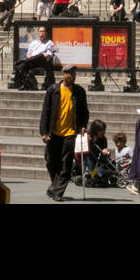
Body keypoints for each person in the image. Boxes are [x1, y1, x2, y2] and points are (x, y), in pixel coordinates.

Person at [40, 66, 89, 201]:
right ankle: (55, 185)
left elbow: (85, 111)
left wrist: (83, 126)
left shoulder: (79, 91)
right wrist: (43, 132)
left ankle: (58, 191)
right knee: (50, 160)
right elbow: (46, 111)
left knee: (66, 163)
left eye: (73, 74)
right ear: (63, 75)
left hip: (70, 133)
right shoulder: (53, 90)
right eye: (69, 74)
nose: (72, 76)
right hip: (53, 132)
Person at [14, 25, 57, 90]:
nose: (41, 33)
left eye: (43, 32)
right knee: (22, 66)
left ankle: (23, 61)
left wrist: (36, 57)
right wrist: (30, 58)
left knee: (40, 55)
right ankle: (25, 84)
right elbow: (28, 54)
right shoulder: (33, 42)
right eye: (40, 31)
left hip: (43, 61)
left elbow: (48, 55)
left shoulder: (49, 43)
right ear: (38, 33)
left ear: (46, 33)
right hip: (32, 62)